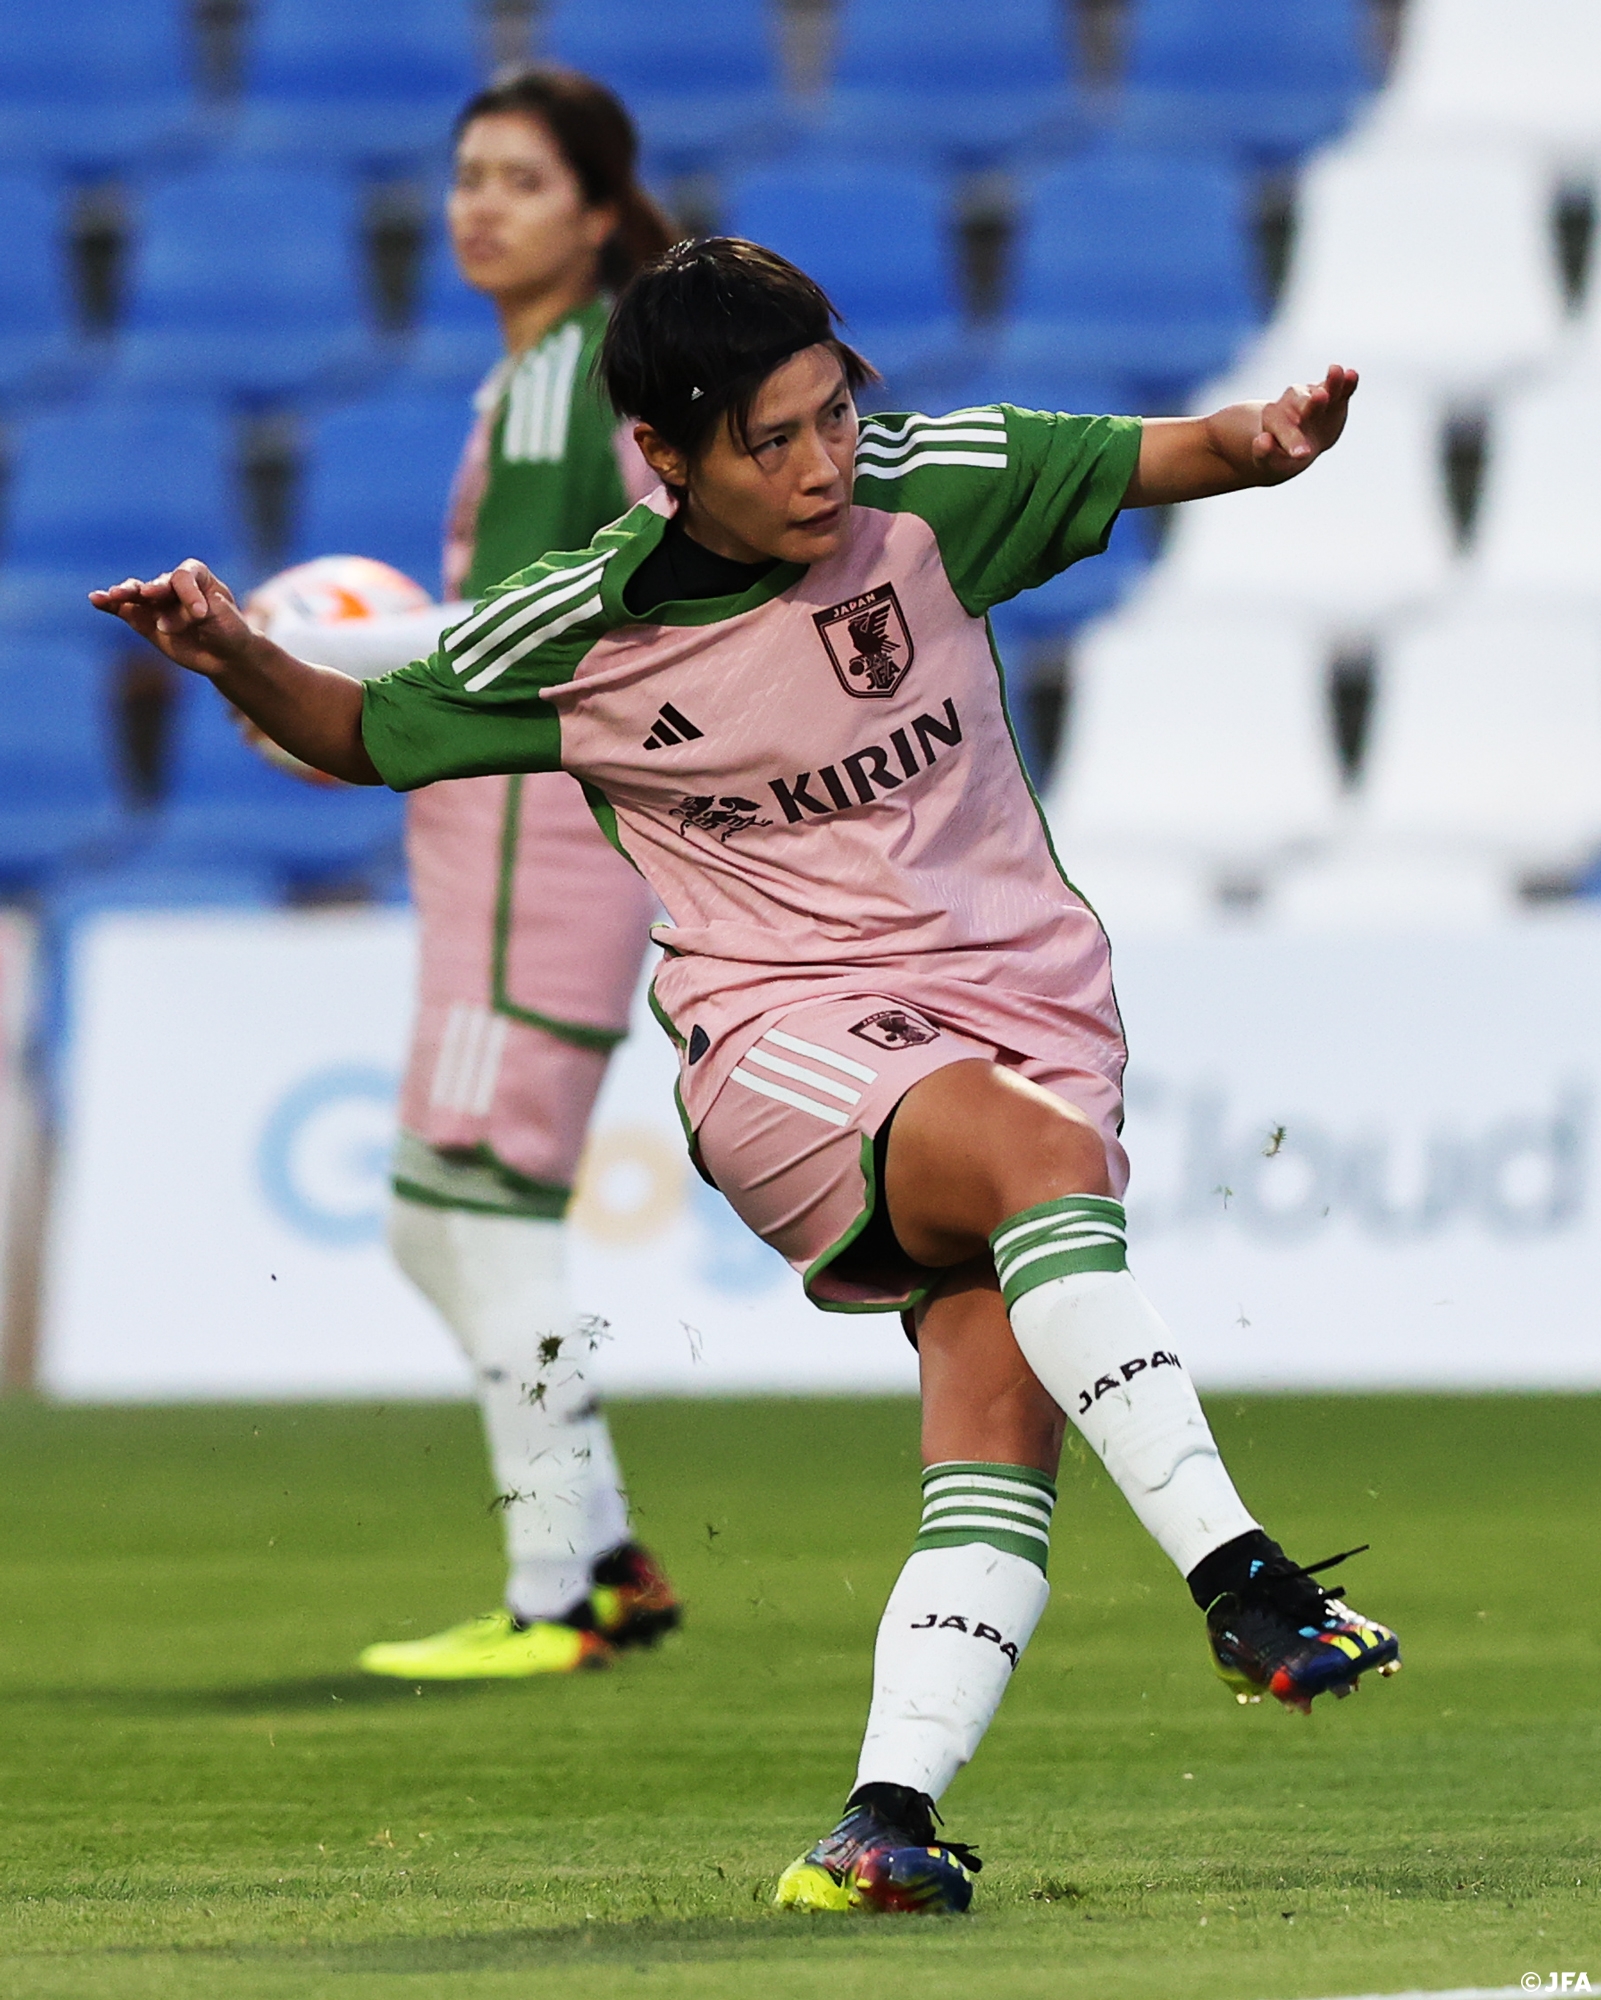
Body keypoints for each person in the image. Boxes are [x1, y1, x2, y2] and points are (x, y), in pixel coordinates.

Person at [92, 237, 1400, 1913]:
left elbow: (1169, 454)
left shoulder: (931, 496)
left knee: (998, 1427)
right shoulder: (582, 626)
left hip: (1027, 1009)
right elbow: (367, 734)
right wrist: (234, 658)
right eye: (768, 439)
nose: (818, 462)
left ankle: (878, 1823)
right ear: (667, 457)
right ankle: (1243, 1579)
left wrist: (1270, 437)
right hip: (780, 1043)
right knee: (1035, 1173)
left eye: (829, 414)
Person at [261, 69, 681, 1679]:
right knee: (446, 1214)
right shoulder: (557, 371)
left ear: (591, 211)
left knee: (468, 1200)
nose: (479, 207)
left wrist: (302, 670)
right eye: (465, 179)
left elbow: (516, 633)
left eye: (517, 180)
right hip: (529, 835)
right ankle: (604, 1557)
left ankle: (559, 1586)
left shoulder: (569, 379)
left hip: (532, 839)